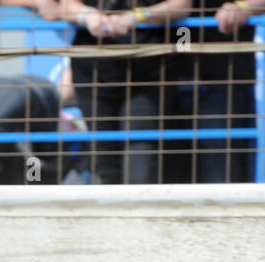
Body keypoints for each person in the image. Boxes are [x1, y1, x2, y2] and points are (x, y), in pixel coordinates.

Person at [59, 0, 188, 184]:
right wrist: (87, 15)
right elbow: (62, 7)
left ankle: (137, 210)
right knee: (105, 163)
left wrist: (137, 16)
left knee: (140, 157)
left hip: (149, 69)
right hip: (93, 70)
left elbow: (183, 6)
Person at [171, 0, 265, 184]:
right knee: (160, 177)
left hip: (223, 77)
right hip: (155, 77)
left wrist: (243, 7)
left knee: (221, 177)